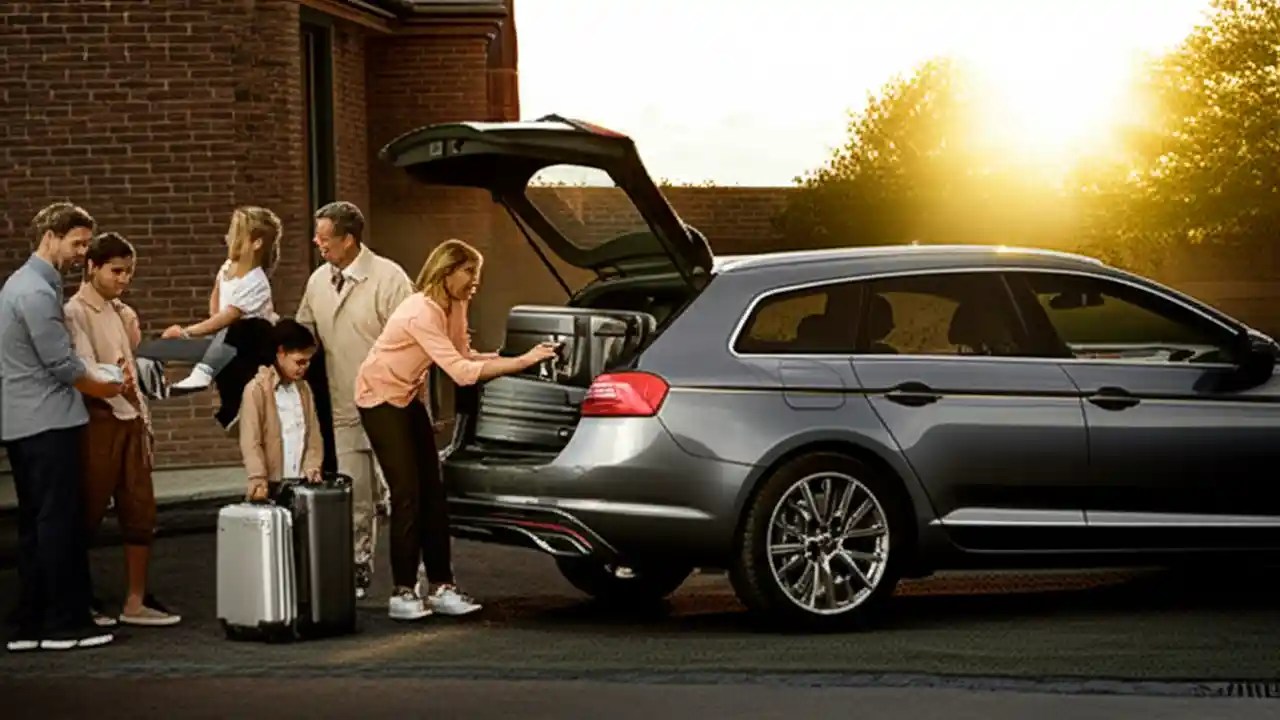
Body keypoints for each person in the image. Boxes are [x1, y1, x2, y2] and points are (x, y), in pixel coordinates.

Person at [354, 238, 559, 621]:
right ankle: (402, 593)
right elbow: (462, 374)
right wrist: (521, 362)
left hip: (407, 396)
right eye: (469, 272)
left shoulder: (456, 305)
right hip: (378, 397)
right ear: (446, 272)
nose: (475, 281)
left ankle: (442, 587)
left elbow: (465, 356)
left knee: (434, 492)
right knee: (408, 494)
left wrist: (519, 359)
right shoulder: (421, 311)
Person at [1, 203, 127, 652]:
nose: (82, 253)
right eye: (77, 243)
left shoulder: (23, 284)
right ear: (50, 236)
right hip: (47, 422)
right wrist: (108, 385)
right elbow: (60, 364)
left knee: (37, 523)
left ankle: (32, 622)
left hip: (25, 420)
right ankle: (62, 624)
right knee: (58, 522)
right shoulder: (36, 291)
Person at [65, 231, 181, 628]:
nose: (124, 279)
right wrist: (115, 381)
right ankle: (77, 599)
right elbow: (84, 367)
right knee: (88, 510)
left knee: (140, 510)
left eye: (128, 272)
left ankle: (135, 600)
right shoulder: (75, 312)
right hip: (99, 419)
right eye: (116, 271)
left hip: (132, 418)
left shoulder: (120, 311)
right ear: (92, 267)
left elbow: (130, 357)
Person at [296, 201, 411, 600]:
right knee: (355, 493)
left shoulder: (389, 278)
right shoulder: (317, 282)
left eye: (324, 237)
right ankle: (359, 568)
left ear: (348, 239)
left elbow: (412, 342)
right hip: (344, 404)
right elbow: (304, 336)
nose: (317, 243)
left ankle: (414, 577)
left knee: (401, 495)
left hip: (391, 407)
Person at [165, 206, 281, 394]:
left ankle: (202, 373)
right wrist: (211, 326)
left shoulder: (256, 282)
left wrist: (187, 332)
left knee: (233, 329)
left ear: (256, 243)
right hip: (227, 343)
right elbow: (216, 298)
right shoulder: (228, 266)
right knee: (218, 337)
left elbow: (229, 316)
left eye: (238, 234)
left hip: (250, 348)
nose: (230, 238)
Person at [238, 319, 325, 501]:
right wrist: (258, 477)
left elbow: (313, 434)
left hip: (302, 481)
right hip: (271, 483)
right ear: (281, 353)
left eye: (308, 362)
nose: (304, 367)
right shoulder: (257, 389)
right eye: (299, 362)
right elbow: (251, 440)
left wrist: (313, 465)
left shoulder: (304, 389)